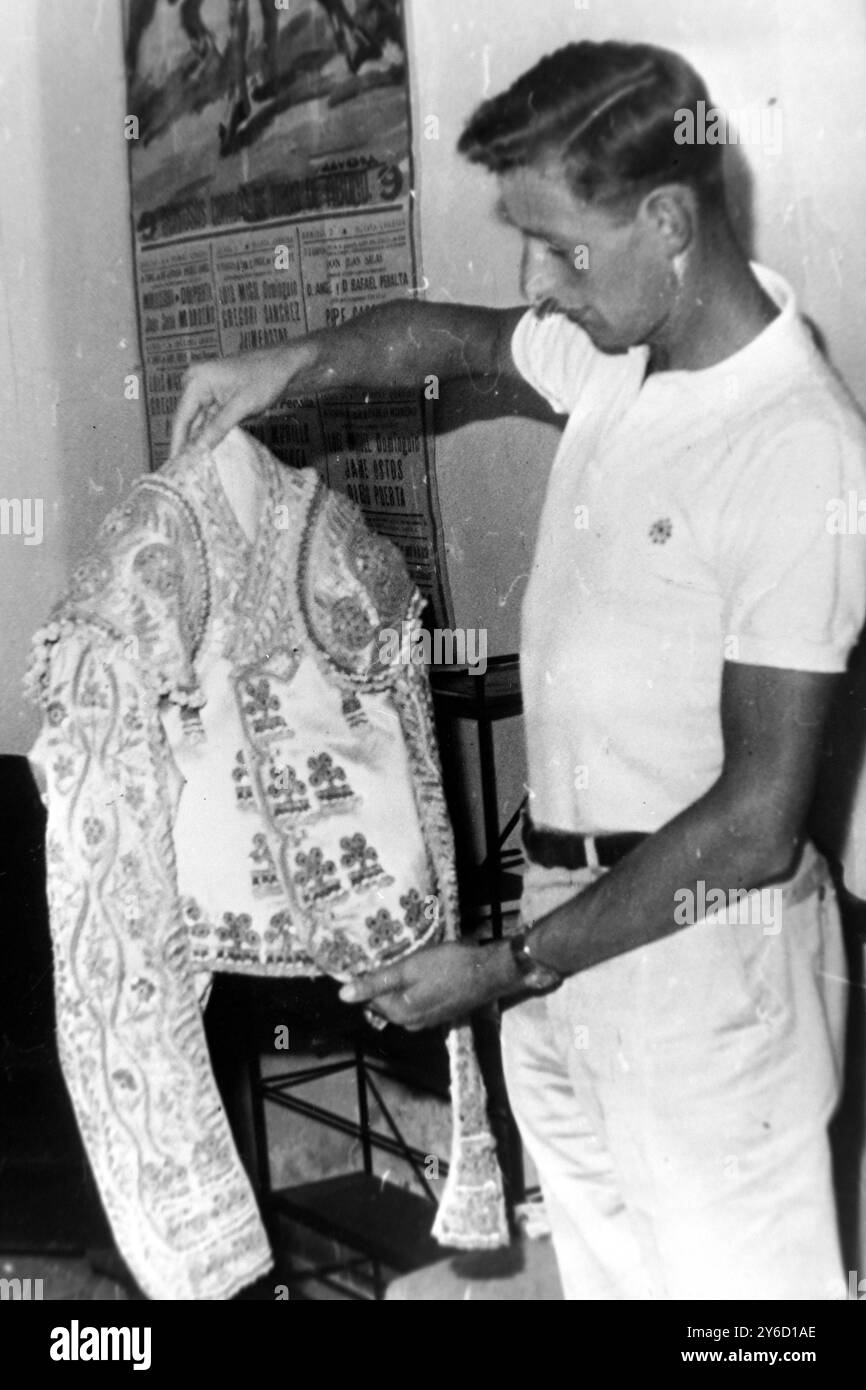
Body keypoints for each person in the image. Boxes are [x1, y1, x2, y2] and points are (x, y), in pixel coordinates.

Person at [171, 40, 866, 1299]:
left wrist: (506, 967)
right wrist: (280, 369)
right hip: (570, 933)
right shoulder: (619, 357)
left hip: (702, 975)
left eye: (560, 247)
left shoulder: (796, 448)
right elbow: (450, 340)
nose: (537, 287)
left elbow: (758, 821)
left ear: (667, 219)